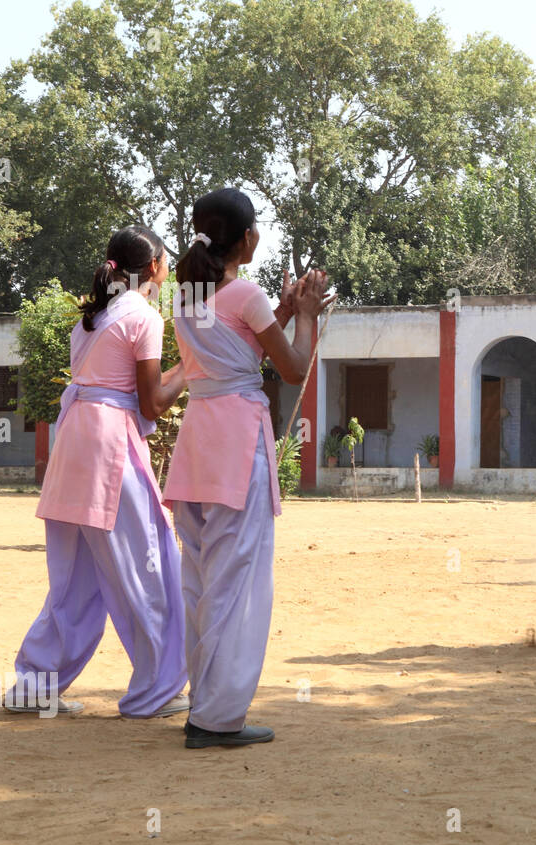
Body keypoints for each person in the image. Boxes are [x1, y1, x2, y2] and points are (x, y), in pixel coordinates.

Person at [164, 187, 334, 748]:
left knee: (203, 581)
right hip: (238, 447)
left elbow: (235, 348)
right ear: (245, 239)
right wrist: (305, 316)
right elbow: (291, 368)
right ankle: (217, 719)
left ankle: (205, 704)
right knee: (238, 585)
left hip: (196, 448)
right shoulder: (245, 294)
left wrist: (282, 310)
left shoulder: (185, 298)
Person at [7, 226, 189, 718]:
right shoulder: (144, 317)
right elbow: (152, 401)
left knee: (75, 579)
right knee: (147, 563)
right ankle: (156, 690)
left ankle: (33, 686)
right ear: (153, 268)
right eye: (166, 260)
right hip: (109, 449)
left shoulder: (93, 317)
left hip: (74, 446)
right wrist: (193, 365)